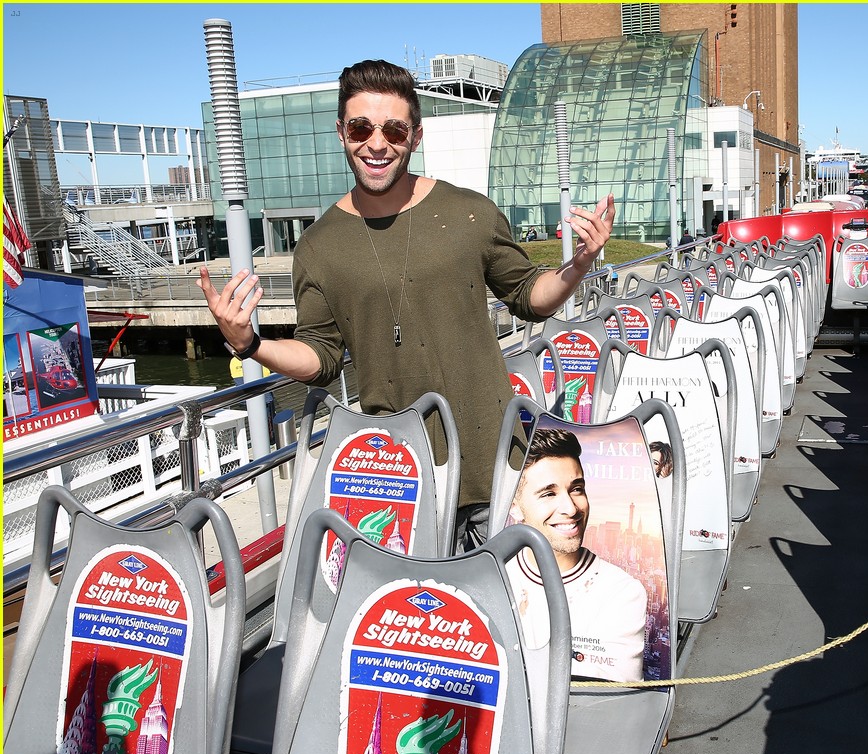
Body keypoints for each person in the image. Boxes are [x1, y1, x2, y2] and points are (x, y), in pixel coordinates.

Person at [197, 59, 616, 549]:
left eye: (394, 129)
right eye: (361, 127)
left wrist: (580, 264)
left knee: (513, 616)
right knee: (425, 620)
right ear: (341, 133)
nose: (377, 143)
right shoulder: (317, 246)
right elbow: (321, 358)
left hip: (494, 462)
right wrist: (249, 344)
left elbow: (528, 297)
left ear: (414, 137)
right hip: (397, 479)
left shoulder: (469, 212)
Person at [504, 427, 647, 682]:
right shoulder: (494, 579)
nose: (570, 508)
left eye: (577, 489)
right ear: (515, 506)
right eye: (549, 494)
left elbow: (611, 705)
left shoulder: (622, 592)